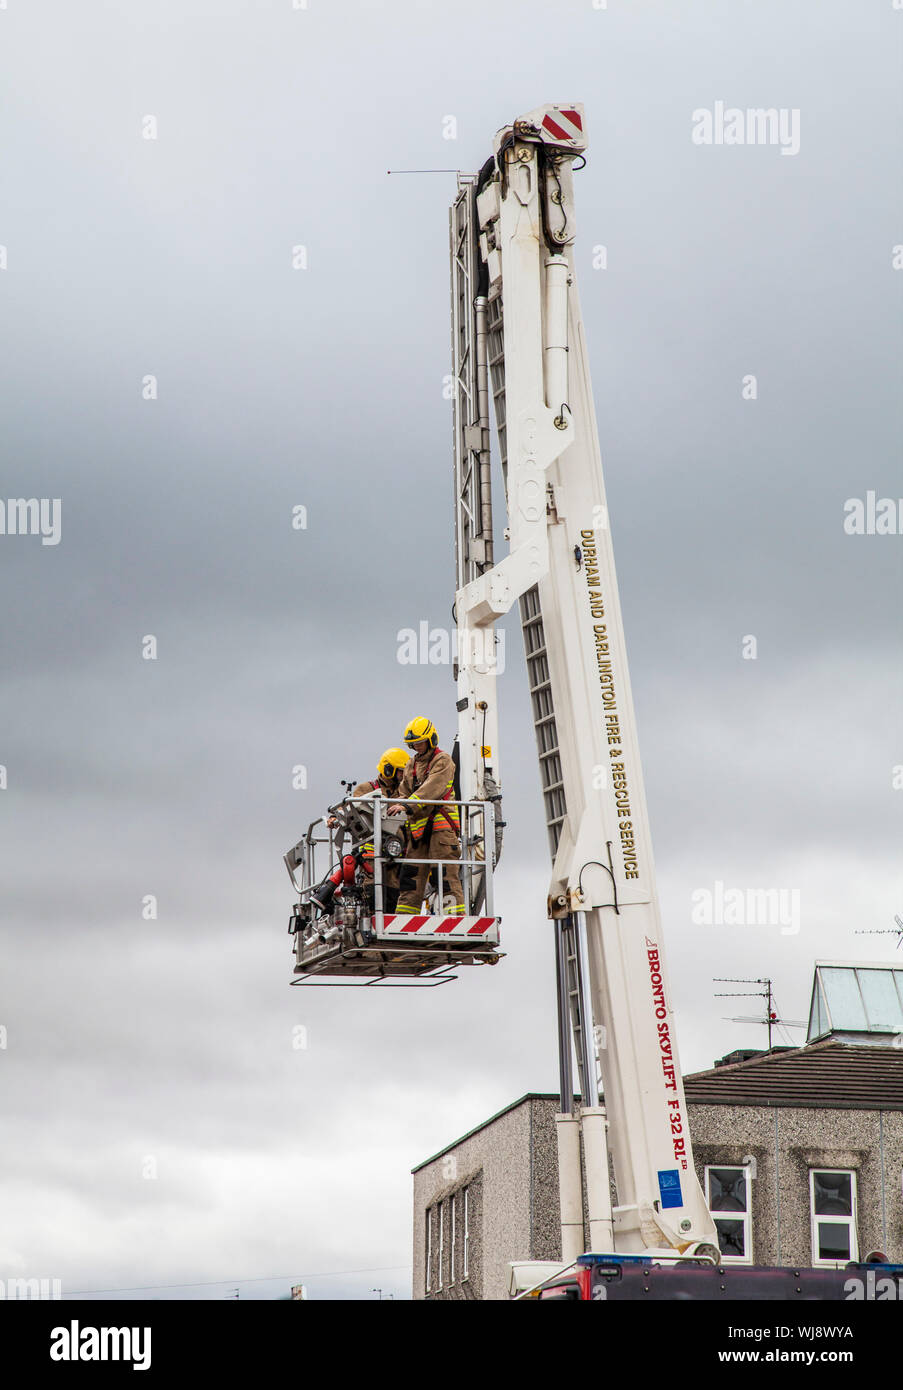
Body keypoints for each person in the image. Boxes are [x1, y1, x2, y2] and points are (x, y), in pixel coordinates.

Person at [393, 716, 464, 917]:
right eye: (413, 743)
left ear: (431, 739)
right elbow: (403, 793)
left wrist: (405, 805)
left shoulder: (443, 761)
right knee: (410, 879)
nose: (417, 746)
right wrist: (393, 805)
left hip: (441, 831)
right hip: (418, 833)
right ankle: (404, 922)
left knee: (444, 877)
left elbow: (433, 788)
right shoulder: (411, 764)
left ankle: (453, 920)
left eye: (420, 742)